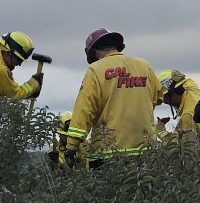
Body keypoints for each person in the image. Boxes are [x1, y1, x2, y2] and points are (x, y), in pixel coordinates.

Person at [63, 28, 163, 162]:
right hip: (146, 151)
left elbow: (84, 110)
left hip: (108, 153)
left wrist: (71, 146)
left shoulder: (95, 70)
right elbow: (156, 98)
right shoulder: (145, 66)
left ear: (94, 52)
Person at [158, 69, 200, 145]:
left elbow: (180, 146)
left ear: (171, 93)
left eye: (164, 98)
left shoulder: (187, 116)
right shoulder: (194, 92)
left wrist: (160, 131)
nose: (166, 102)